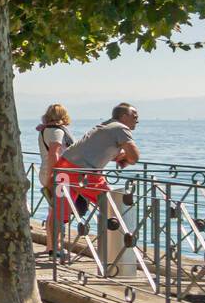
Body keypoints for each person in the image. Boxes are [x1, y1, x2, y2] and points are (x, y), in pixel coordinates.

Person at [54, 103, 141, 230]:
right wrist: (125, 157)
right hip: (82, 172)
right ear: (124, 116)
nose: (137, 120)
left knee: (59, 212)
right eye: (134, 116)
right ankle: (119, 246)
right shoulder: (120, 128)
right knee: (113, 206)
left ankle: (54, 248)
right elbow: (134, 158)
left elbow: (100, 150)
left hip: (63, 167)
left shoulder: (106, 125)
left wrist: (120, 156)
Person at [37, 104, 74, 258]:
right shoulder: (57, 132)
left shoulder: (46, 130)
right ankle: (55, 246)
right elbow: (54, 154)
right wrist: (55, 175)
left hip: (48, 172)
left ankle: (51, 245)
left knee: (53, 209)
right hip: (56, 174)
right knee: (58, 210)